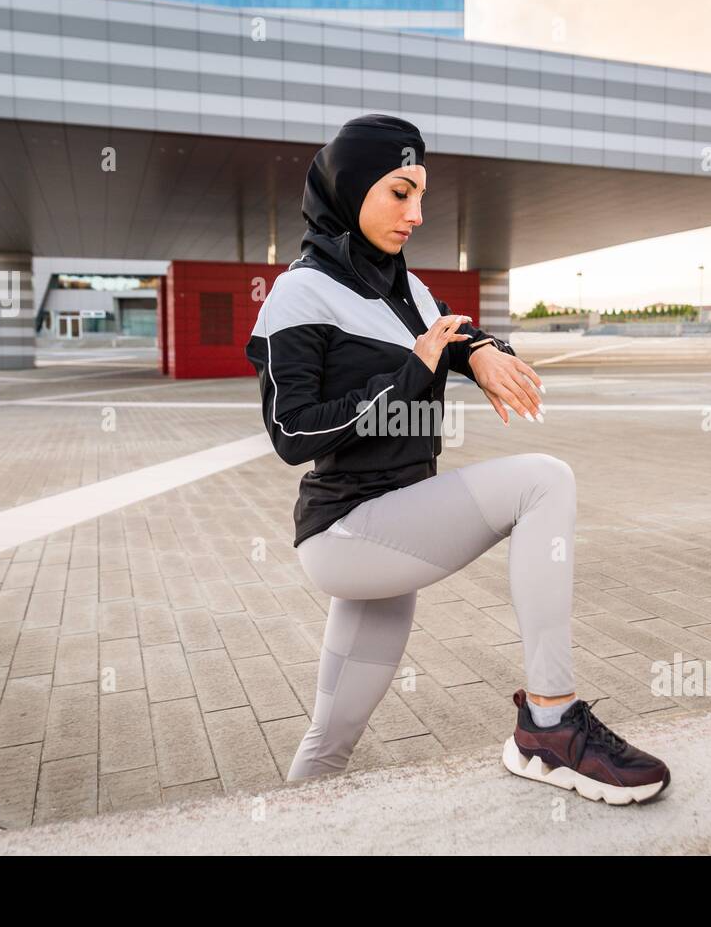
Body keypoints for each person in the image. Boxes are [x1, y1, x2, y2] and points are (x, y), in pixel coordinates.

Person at [243, 114, 670, 805]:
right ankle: (551, 724)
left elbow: (453, 330)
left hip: (391, 529)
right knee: (542, 482)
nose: (416, 214)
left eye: (421, 196)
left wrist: (481, 352)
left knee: (327, 746)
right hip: (347, 530)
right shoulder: (301, 291)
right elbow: (292, 431)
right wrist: (412, 371)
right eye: (400, 192)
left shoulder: (403, 287)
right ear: (351, 190)